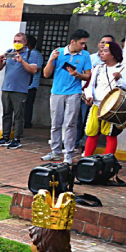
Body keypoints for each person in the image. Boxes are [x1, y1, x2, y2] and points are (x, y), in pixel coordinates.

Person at [43, 29, 92, 163]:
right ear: (73, 42)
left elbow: (88, 75)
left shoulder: (85, 55)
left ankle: (68, 154)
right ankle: (55, 151)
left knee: (70, 124)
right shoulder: (58, 53)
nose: (83, 46)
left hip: (74, 93)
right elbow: (46, 74)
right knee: (56, 123)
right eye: (81, 43)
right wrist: (51, 59)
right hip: (57, 92)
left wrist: (77, 74)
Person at [83, 41, 126, 156]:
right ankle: (86, 159)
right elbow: (90, 85)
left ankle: (108, 161)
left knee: (111, 135)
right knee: (92, 133)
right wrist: (89, 96)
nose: (101, 53)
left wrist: (119, 79)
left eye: (105, 51)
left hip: (113, 107)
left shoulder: (124, 68)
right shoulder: (98, 68)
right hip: (97, 105)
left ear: (113, 54)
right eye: (101, 51)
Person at [0, 32, 42, 149]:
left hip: (20, 89)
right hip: (6, 87)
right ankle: (5, 136)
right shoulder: (10, 52)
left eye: (19, 41)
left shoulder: (31, 54)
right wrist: (0, 60)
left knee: (19, 115)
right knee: (6, 113)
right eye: (15, 41)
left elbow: (33, 70)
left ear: (25, 42)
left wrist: (22, 61)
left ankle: (17, 138)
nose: (16, 43)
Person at [23, 34, 40, 128]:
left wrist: (26, 67)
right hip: (24, 84)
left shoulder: (36, 54)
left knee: (29, 104)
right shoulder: (26, 53)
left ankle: (27, 122)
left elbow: (38, 68)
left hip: (32, 84)